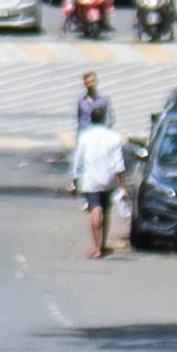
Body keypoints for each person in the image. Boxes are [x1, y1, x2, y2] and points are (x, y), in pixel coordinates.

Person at [72, 101, 133, 258]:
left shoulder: (84, 137)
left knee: (95, 209)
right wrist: (122, 185)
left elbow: (78, 160)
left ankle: (97, 246)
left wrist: (75, 179)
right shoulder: (113, 137)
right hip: (108, 179)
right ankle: (103, 243)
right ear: (105, 119)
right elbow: (119, 164)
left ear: (91, 119)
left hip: (90, 179)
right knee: (105, 210)